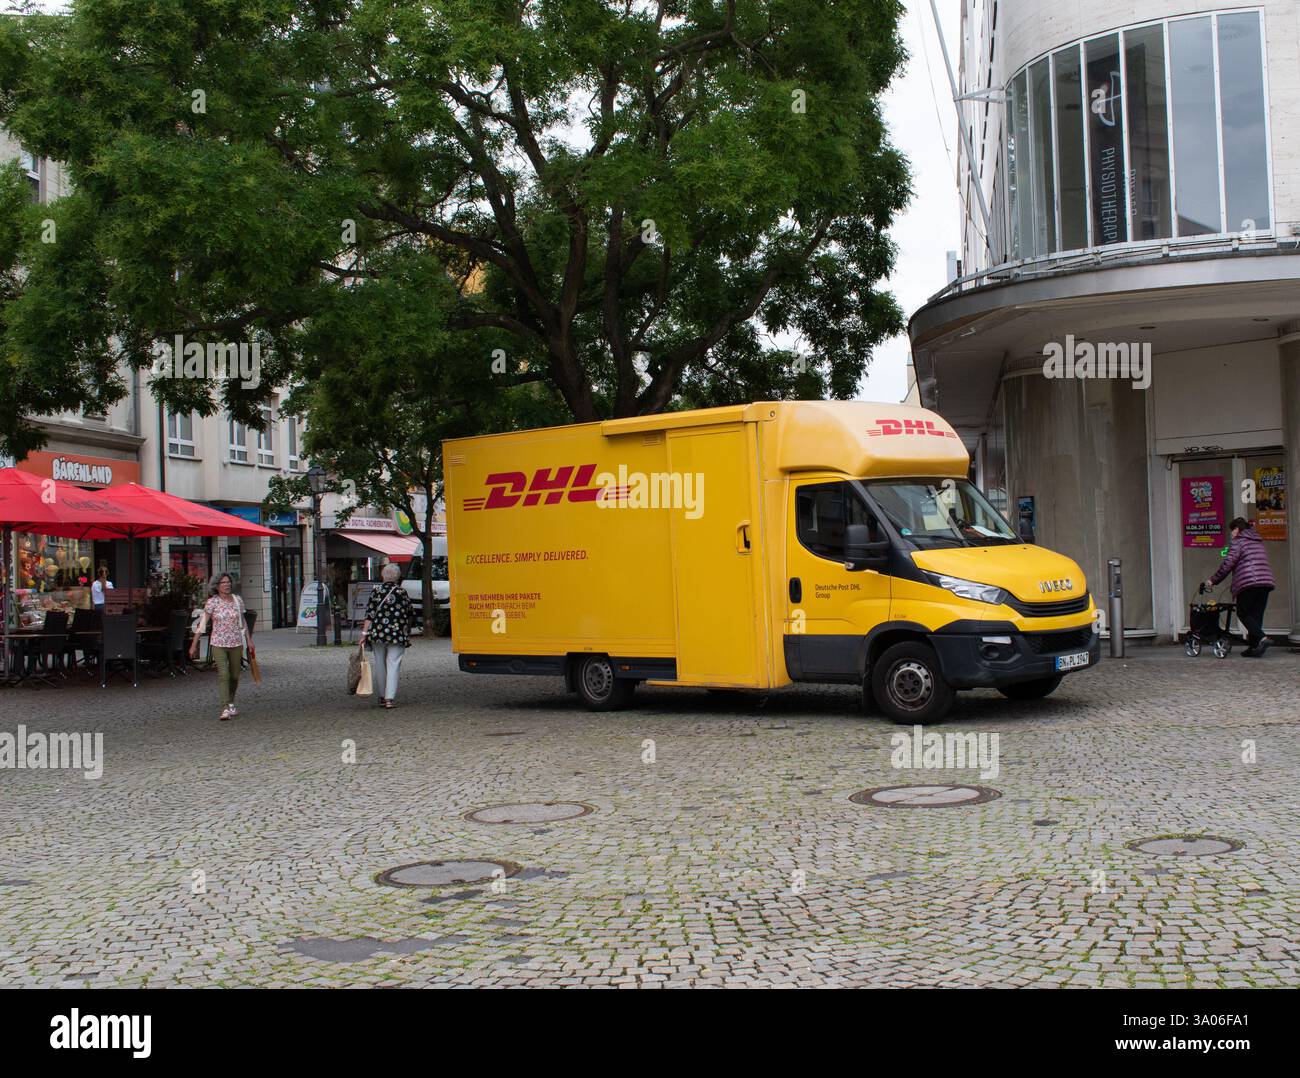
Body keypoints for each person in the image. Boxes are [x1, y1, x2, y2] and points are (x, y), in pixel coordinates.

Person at [1206, 517, 1276, 658]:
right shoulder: (1257, 541)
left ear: (1238, 530)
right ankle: (1254, 647)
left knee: (1242, 613)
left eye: (1232, 530)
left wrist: (1213, 580)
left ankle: (1262, 639)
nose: (1231, 534)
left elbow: (1228, 564)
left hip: (1248, 583)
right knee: (1255, 618)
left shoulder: (1238, 542)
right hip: (1265, 582)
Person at [189, 573, 255, 719]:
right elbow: (202, 624)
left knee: (235, 675)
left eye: (228, 582)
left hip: (236, 642)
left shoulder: (238, 601)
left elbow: (243, 620)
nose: (227, 584)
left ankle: (231, 702)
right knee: (223, 674)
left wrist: (249, 639)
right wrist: (193, 644)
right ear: (217, 586)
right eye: (223, 582)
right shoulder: (212, 602)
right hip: (218, 642)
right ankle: (225, 707)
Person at [361, 562, 414, 710]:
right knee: (393, 664)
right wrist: (406, 630)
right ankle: (389, 699)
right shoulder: (401, 592)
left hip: (378, 633)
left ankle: (382, 697)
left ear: (383, 575)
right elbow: (410, 613)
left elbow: (369, 613)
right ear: (397, 577)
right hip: (397, 634)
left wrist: (364, 633)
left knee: (379, 664)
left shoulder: (376, 591)